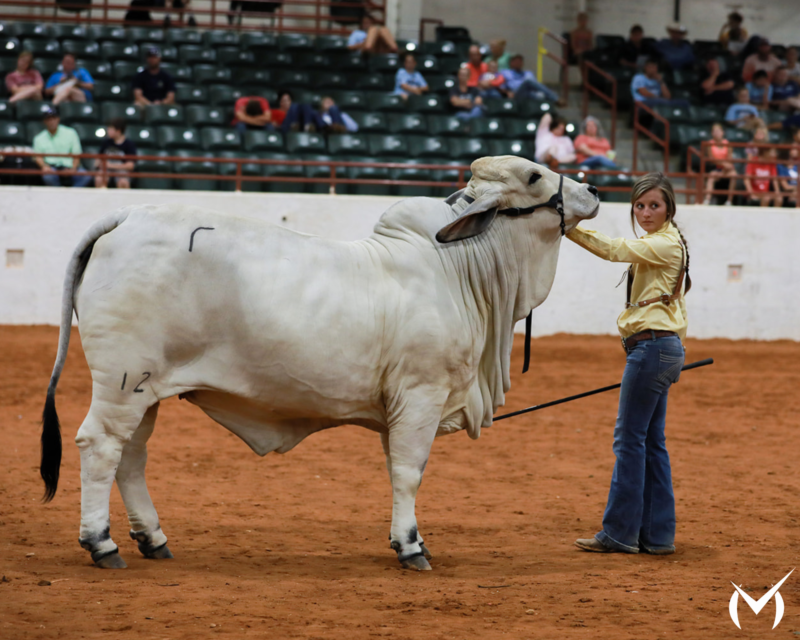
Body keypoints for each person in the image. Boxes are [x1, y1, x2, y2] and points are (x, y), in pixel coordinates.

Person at [570, 172, 689, 556]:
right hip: (662, 350)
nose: (645, 212)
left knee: (630, 441)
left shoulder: (663, 245)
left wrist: (567, 228)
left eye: (654, 205)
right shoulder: (665, 243)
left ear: (669, 207)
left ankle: (620, 533)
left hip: (651, 349)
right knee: (650, 442)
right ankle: (656, 536)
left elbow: (612, 249)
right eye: (640, 205)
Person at [32, 107, 92, 188]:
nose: (52, 121)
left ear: (58, 119)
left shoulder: (70, 133)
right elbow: (38, 157)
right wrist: (44, 166)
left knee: (85, 176)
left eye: (54, 118)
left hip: (69, 166)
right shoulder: (38, 138)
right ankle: (59, 194)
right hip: (51, 168)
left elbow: (76, 153)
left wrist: (73, 168)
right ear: (44, 122)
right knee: (48, 176)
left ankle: (71, 194)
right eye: (49, 119)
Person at [95, 119, 137, 189]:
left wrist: (111, 165)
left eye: (110, 129)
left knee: (123, 182)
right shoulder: (106, 143)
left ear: (118, 131)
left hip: (121, 170)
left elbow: (130, 165)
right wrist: (99, 164)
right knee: (99, 179)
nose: (108, 131)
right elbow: (98, 160)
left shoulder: (129, 145)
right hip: (106, 169)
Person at [703, 123, 737, 205]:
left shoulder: (727, 143)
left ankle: (729, 200)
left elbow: (729, 158)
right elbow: (711, 159)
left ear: (722, 132)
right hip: (716, 168)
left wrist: (725, 166)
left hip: (726, 169)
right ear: (712, 133)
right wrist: (723, 163)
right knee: (711, 176)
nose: (717, 133)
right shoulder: (709, 144)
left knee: (734, 175)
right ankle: (707, 199)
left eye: (718, 131)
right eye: (714, 131)